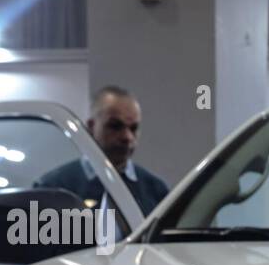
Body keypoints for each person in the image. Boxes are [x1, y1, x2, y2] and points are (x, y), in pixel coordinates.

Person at [36, 85, 170, 215]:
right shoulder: (53, 188)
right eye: (115, 126)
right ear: (91, 126)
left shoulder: (156, 191)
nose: (127, 137)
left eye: (133, 128)